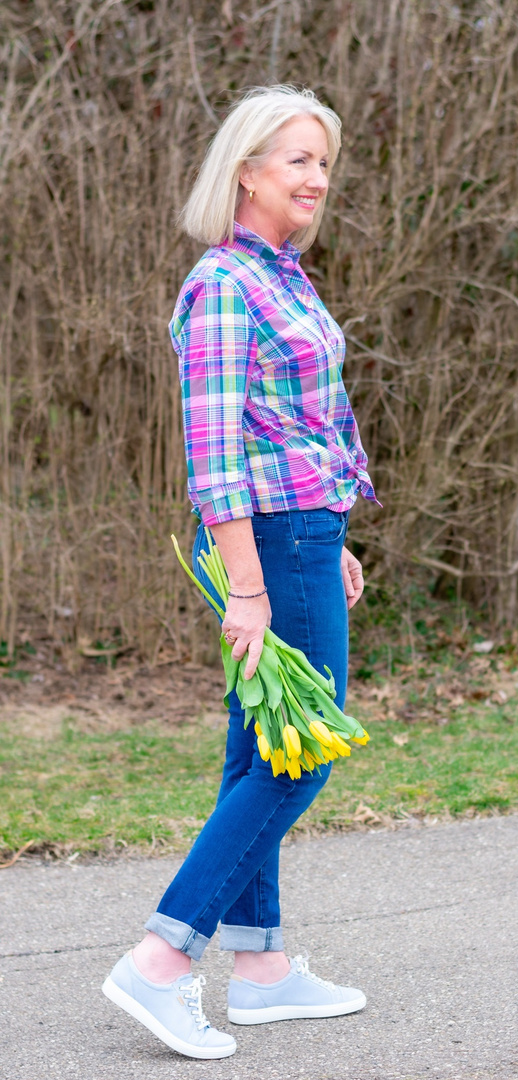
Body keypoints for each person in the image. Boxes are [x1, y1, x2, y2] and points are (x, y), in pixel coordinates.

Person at [102, 85, 379, 1060]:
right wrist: (253, 591)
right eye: (297, 159)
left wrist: (335, 531)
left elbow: (295, 428)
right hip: (268, 544)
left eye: (323, 163)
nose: (317, 177)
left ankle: (259, 970)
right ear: (247, 171)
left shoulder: (284, 276)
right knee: (304, 748)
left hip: (304, 531)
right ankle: (162, 960)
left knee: (260, 753)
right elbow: (216, 458)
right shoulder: (226, 285)